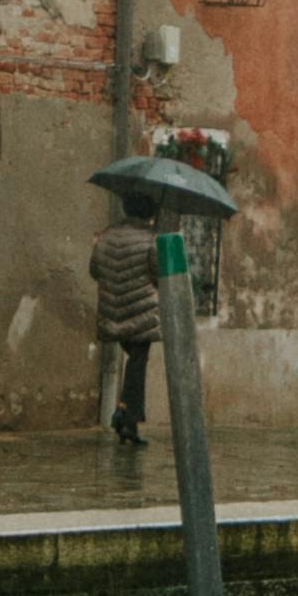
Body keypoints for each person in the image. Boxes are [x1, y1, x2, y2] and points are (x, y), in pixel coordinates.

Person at [88, 187, 170, 442]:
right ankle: (126, 415)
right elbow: (158, 274)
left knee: (135, 360)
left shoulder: (107, 235)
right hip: (141, 312)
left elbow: (95, 270)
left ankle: (128, 418)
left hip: (113, 311)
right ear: (148, 213)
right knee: (138, 360)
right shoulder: (150, 238)